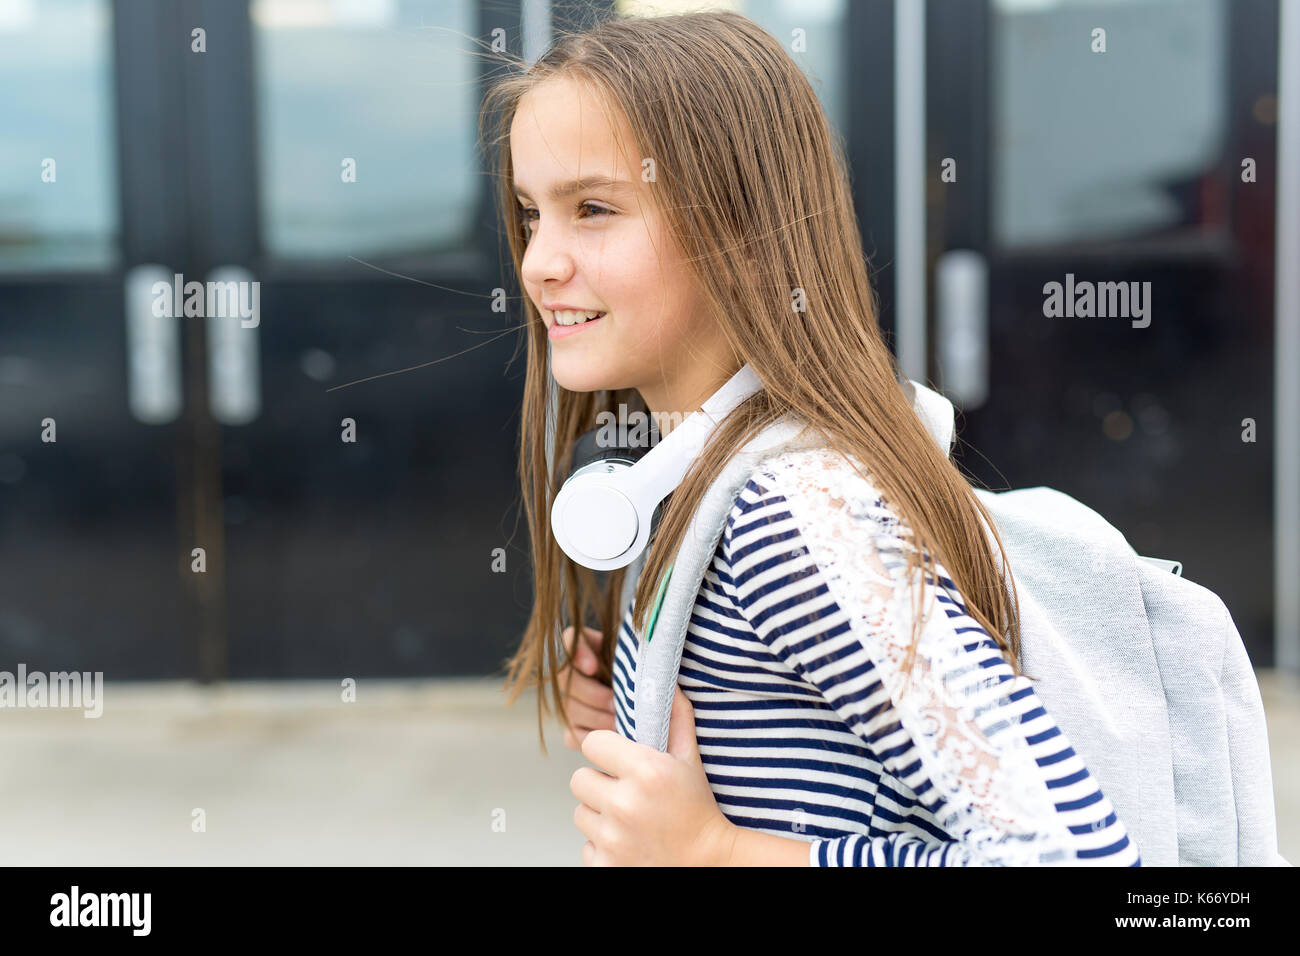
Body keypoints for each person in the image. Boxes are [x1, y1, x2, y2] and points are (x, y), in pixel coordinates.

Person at [489, 10, 1140, 867]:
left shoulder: (795, 518)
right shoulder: (699, 481)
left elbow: (1075, 859)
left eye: (595, 208)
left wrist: (714, 852)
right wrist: (644, 705)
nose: (538, 262)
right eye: (533, 213)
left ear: (745, 236)